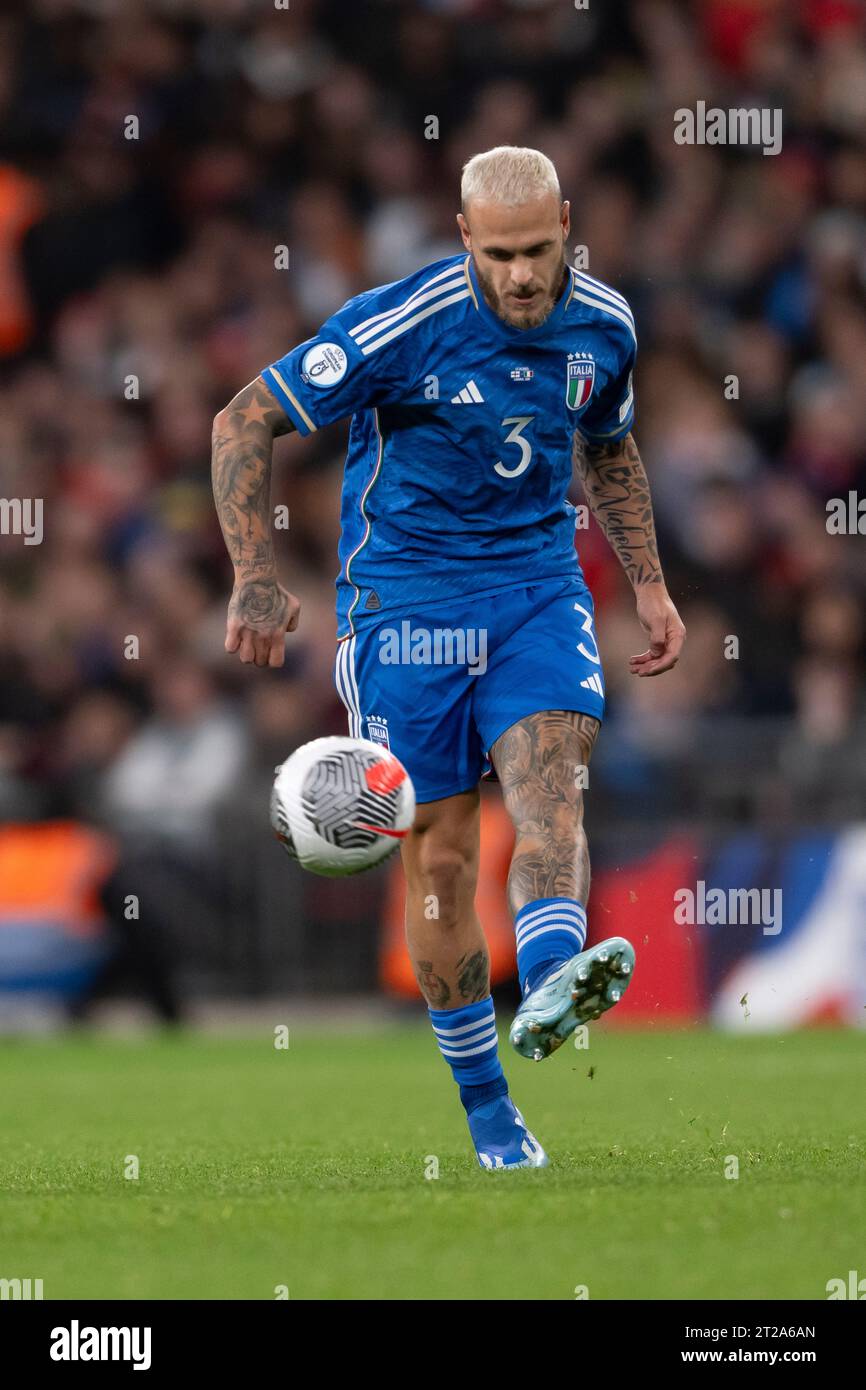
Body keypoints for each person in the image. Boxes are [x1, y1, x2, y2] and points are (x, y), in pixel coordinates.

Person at [211, 146, 685, 1170]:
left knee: (550, 768)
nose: (520, 275)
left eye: (538, 250)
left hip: (536, 587)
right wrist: (254, 571)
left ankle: (555, 975)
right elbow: (243, 417)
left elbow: (605, 442)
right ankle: (487, 1108)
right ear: (463, 235)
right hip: (404, 608)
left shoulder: (603, 324)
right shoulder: (402, 323)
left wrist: (644, 581)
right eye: (500, 253)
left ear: (567, 222)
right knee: (440, 859)